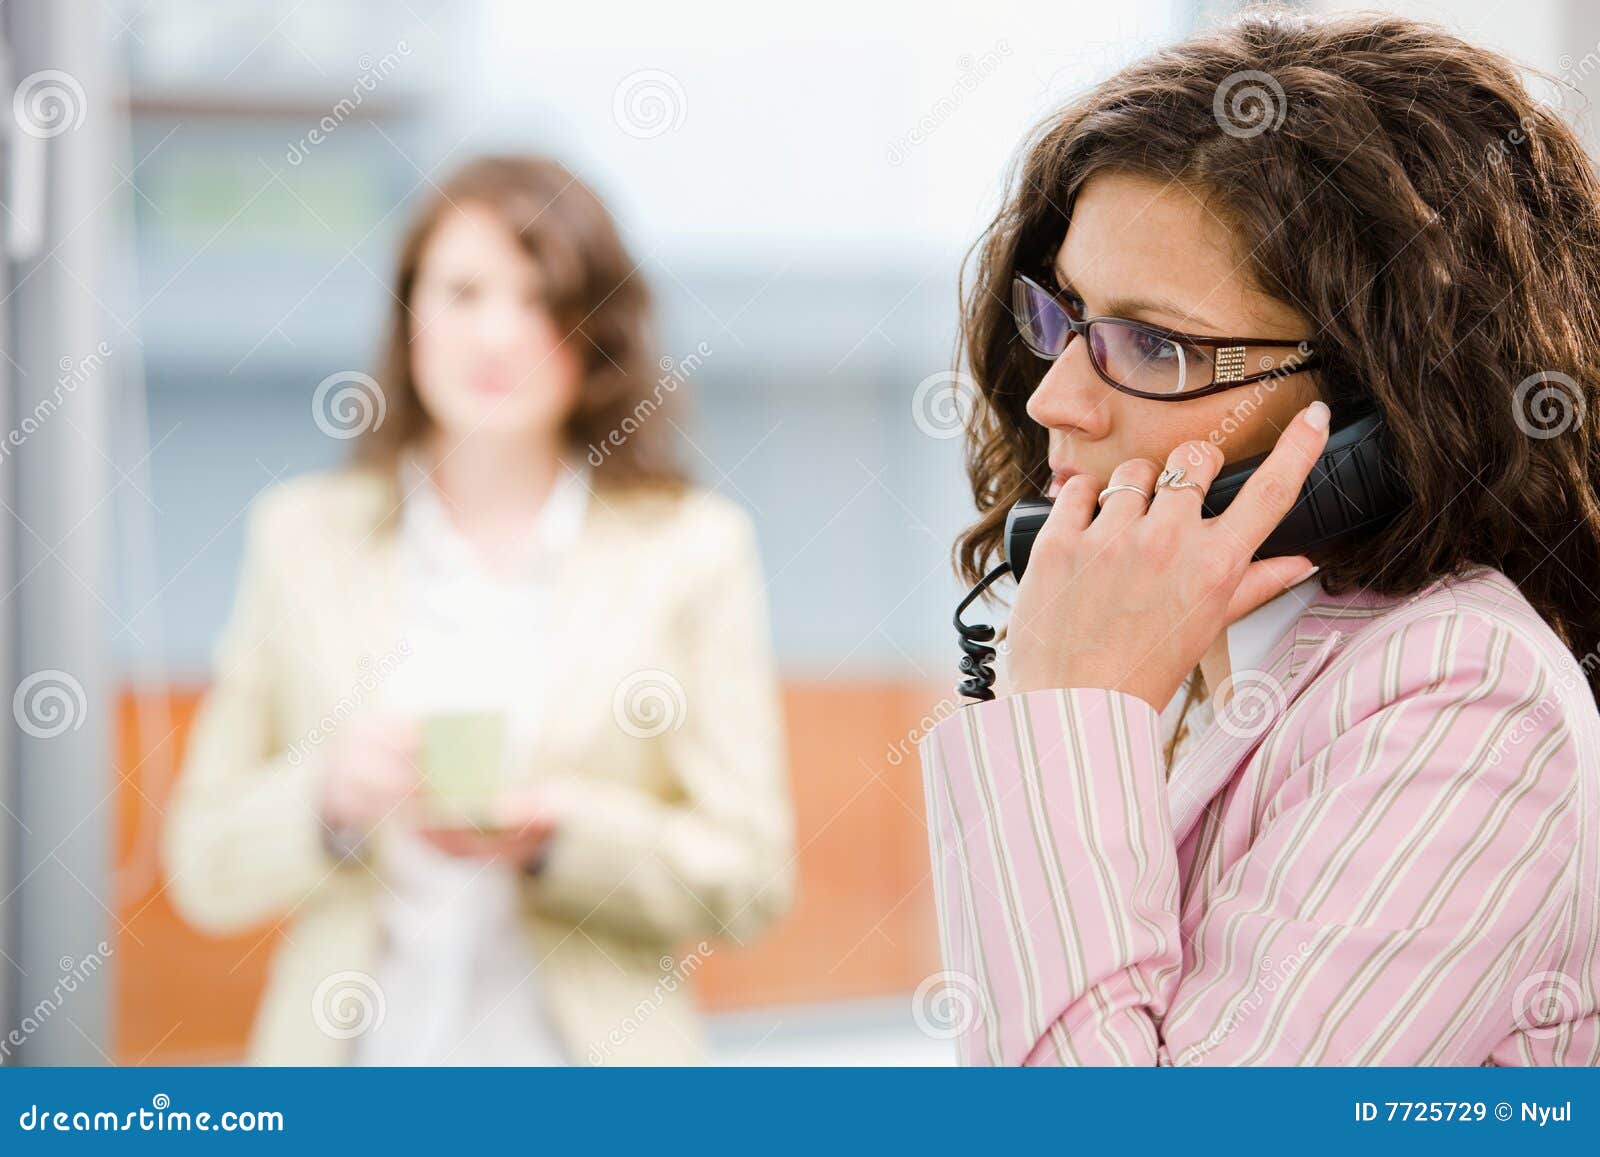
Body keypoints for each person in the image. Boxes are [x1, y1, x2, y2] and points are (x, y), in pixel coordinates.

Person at [920, 10, 1600, 1065]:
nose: (1055, 398)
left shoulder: (1464, 695)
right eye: (1066, 315)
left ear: (1375, 408)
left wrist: (1063, 712)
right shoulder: (1187, 658)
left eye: (1153, 344)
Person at [162, 155, 794, 1065]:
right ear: (408, 315)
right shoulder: (300, 537)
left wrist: (560, 835)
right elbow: (203, 864)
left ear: (596, 330)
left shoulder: (693, 549)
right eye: (461, 293)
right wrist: (328, 798)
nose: (497, 334)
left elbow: (751, 877)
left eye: (540, 298)